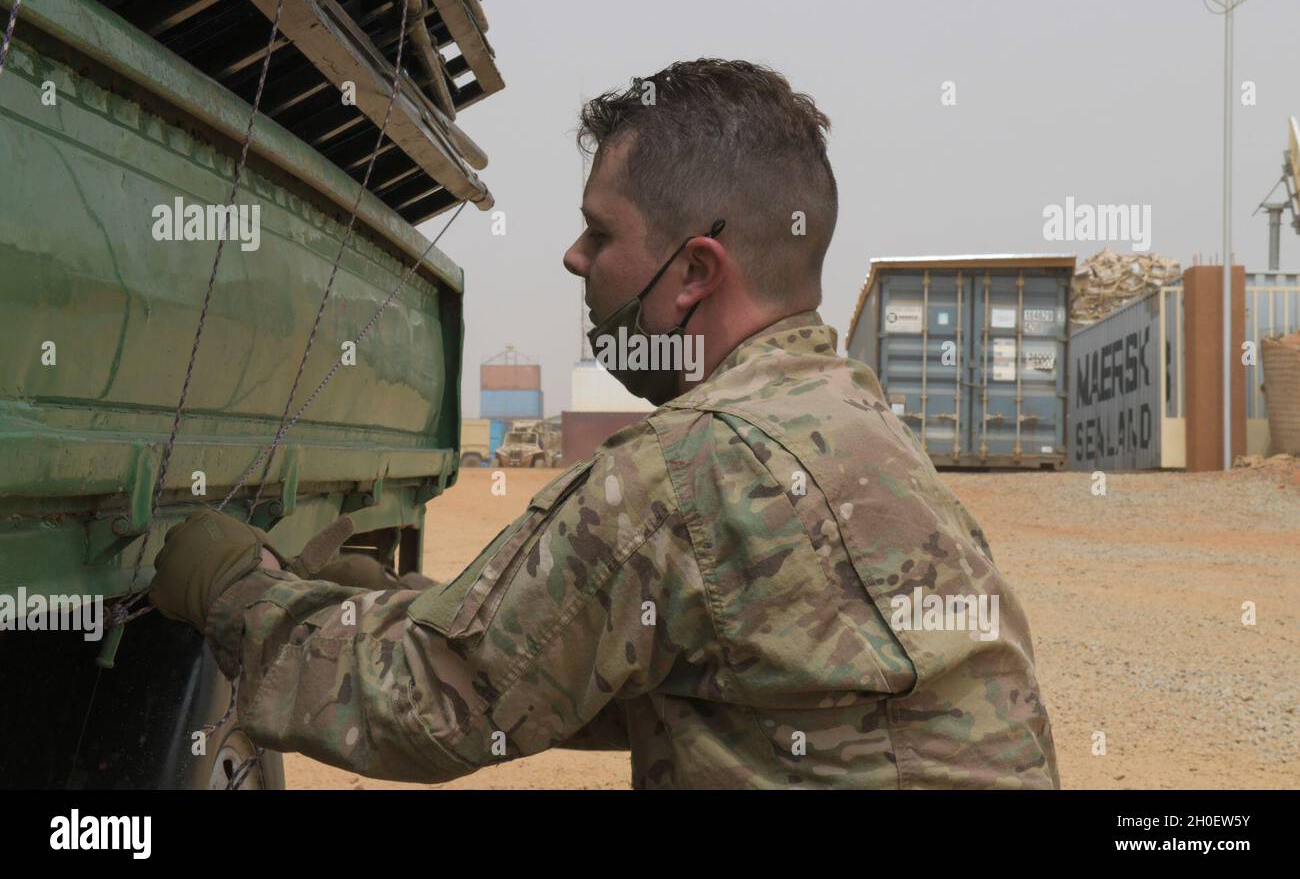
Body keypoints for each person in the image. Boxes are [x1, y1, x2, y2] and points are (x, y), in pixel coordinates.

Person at [150, 59, 1059, 789]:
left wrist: (235, 593)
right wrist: (400, 610)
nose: (574, 257)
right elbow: (670, 670)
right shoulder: (855, 420)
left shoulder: (689, 468)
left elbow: (436, 708)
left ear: (695, 270)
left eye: (601, 232)